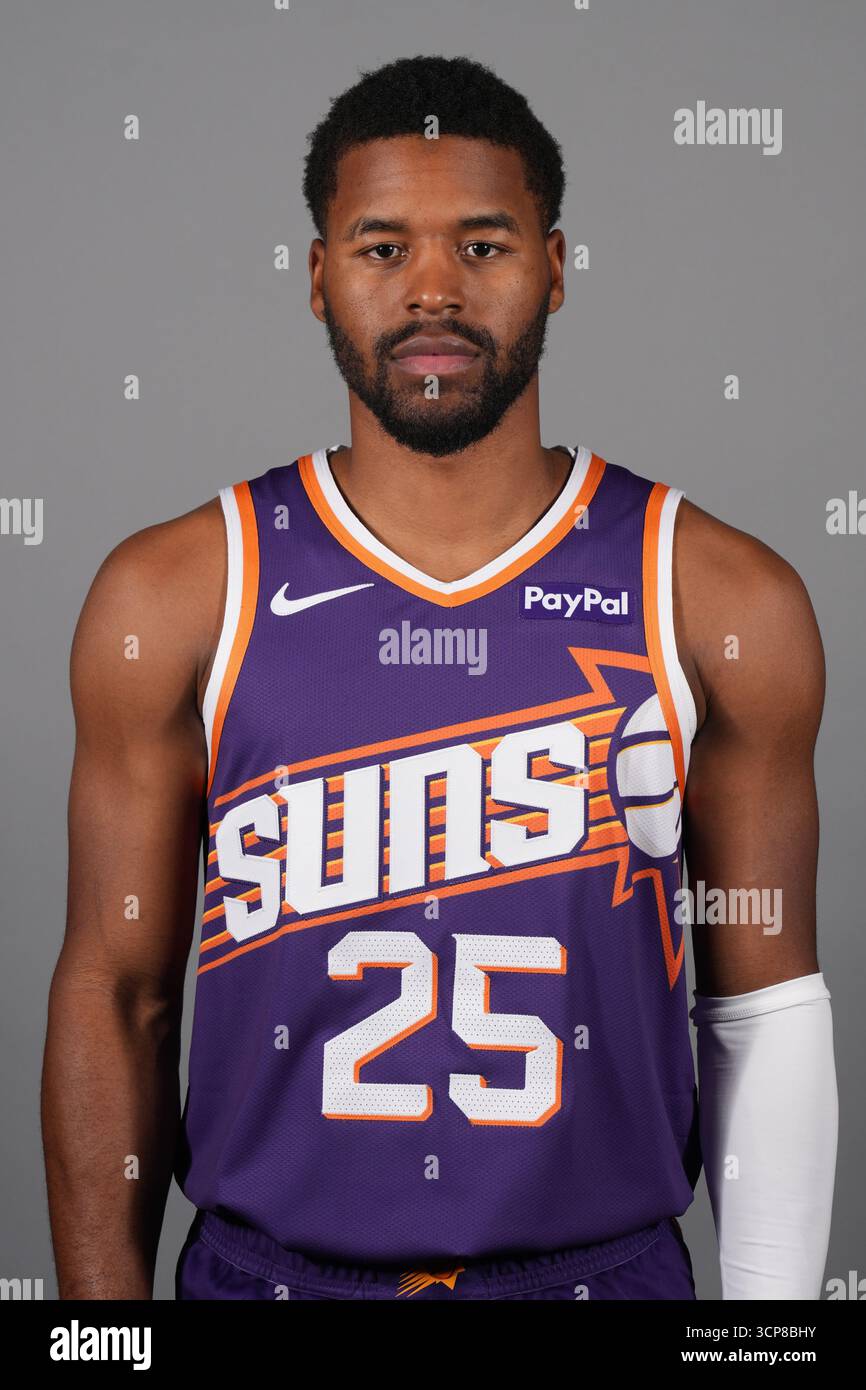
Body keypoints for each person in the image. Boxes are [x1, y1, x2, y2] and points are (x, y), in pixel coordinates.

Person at [42, 55, 837, 1301]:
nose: (431, 292)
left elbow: (760, 1009)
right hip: (269, 1281)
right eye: (378, 248)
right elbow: (115, 989)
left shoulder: (718, 596)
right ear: (316, 278)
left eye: (481, 246)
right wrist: (99, 1345)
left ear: (556, 266)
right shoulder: (178, 592)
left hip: (601, 1278)